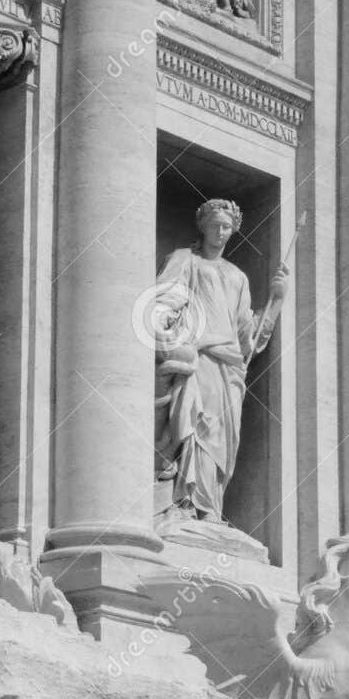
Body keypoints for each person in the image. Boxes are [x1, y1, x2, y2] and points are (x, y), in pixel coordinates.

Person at [152, 198, 286, 522]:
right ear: (204, 225)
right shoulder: (185, 260)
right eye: (215, 225)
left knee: (224, 436)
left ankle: (211, 506)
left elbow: (247, 336)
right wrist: (170, 336)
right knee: (197, 426)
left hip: (229, 365)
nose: (221, 232)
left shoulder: (238, 276)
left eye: (226, 227)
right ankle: (185, 502)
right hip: (199, 357)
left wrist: (278, 300)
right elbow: (163, 300)